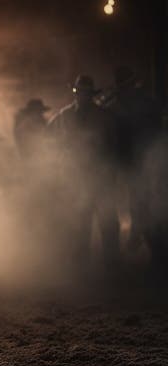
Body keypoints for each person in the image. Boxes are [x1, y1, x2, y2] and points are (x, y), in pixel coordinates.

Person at [48, 75, 120, 270]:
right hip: (78, 177)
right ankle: (82, 265)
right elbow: (48, 138)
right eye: (80, 92)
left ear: (90, 94)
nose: (83, 96)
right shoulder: (65, 116)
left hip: (99, 176)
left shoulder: (102, 117)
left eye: (86, 93)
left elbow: (114, 146)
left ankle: (110, 265)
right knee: (81, 223)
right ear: (76, 93)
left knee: (106, 222)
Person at [103, 66, 161, 254]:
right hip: (132, 159)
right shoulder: (138, 102)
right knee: (138, 198)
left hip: (140, 158)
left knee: (141, 199)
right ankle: (143, 237)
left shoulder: (124, 104)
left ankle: (144, 237)